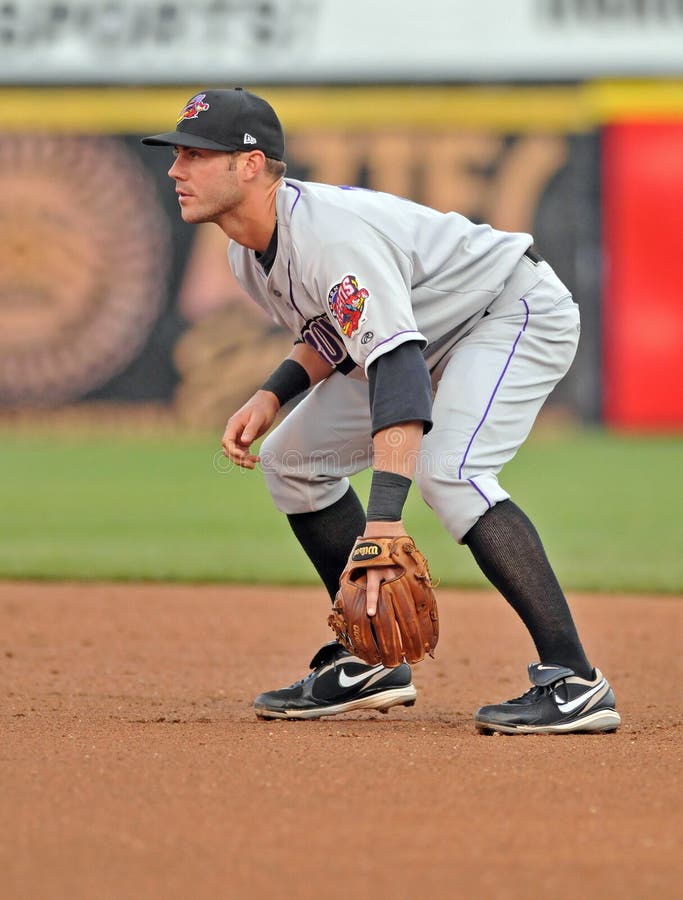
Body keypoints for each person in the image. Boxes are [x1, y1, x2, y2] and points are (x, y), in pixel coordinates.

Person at [142, 88, 620, 734]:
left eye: (195, 155)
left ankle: (573, 678)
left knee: (451, 472)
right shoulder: (244, 252)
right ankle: (370, 661)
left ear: (249, 165)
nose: (176, 169)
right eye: (177, 155)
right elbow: (337, 331)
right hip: (428, 330)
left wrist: (385, 524)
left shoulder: (328, 236)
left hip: (507, 309)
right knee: (291, 460)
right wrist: (273, 392)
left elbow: (395, 367)